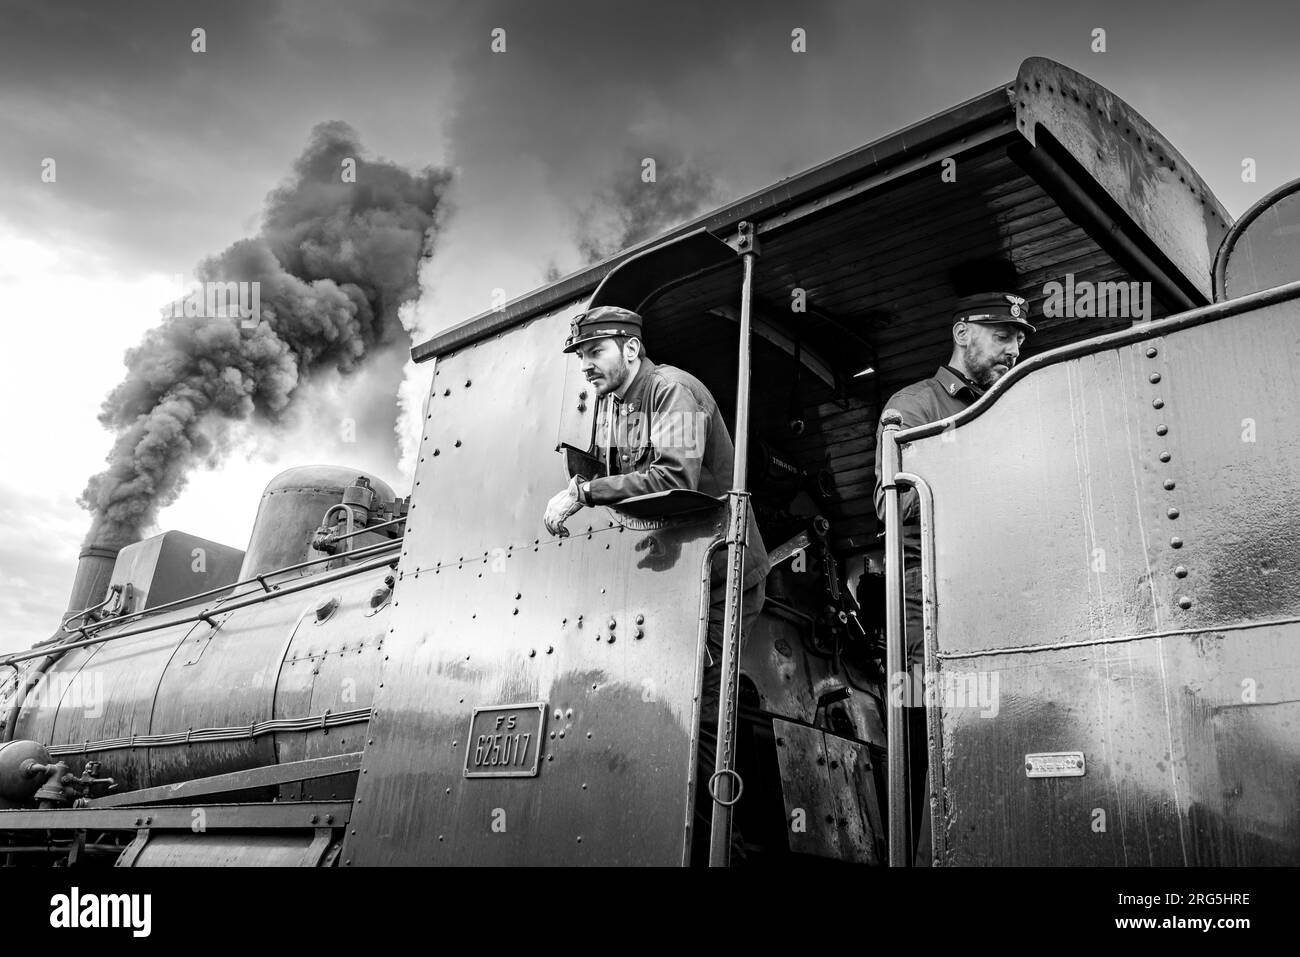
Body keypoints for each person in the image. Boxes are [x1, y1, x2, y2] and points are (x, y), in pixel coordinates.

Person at [543, 305, 769, 865]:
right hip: (672, 578)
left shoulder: (673, 390)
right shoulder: (614, 407)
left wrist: (584, 494)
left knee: (698, 711)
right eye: (581, 356)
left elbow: (673, 477)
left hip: (718, 574)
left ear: (631, 348)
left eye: (595, 352)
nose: (586, 365)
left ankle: (724, 850)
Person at [872, 291, 1035, 863]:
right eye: (1003, 336)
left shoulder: (1011, 405)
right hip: (929, 594)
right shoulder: (912, 405)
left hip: (996, 592)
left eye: (1019, 340)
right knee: (930, 735)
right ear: (962, 333)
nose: (1014, 350)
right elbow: (893, 504)